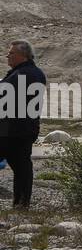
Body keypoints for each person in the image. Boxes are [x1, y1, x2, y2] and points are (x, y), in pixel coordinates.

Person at [0, 41, 46, 208]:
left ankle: (21, 203)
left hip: (15, 130)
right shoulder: (29, 73)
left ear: (23, 55)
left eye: (11, 53)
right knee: (22, 167)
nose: (8, 56)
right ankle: (21, 203)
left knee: (22, 167)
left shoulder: (23, 75)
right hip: (21, 128)